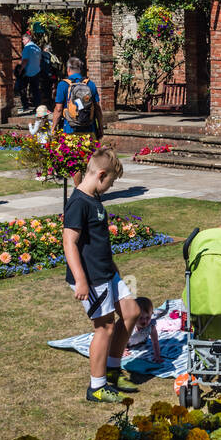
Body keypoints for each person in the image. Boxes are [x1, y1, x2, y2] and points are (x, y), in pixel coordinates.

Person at [62, 146, 142, 403]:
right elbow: (69, 243)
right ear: (101, 174)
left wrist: (115, 270)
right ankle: (96, 387)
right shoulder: (78, 203)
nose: (111, 186)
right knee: (104, 327)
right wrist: (81, 279)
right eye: (111, 181)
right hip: (93, 278)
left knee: (131, 312)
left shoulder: (94, 199)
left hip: (108, 274)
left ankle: (112, 369)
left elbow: (98, 242)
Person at [51, 57, 104, 140]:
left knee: (70, 152)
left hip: (69, 128)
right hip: (89, 128)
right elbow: (97, 108)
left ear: (68, 69)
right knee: (90, 152)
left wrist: (53, 128)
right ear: (80, 69)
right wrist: (100, 127)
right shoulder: (90, 84)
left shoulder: (63, 84)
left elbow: (58, 109)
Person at [126, 295, 163, 365]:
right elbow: (120, 337)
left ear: (151, 315)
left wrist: (157, 356)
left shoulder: (151, 327)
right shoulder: (130, 326)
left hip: (141, 342)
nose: (144, 321)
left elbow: (155, 342)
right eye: (140, 318)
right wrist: (122, 350)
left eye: (147, 317)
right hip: (126, 343)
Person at [15, 30, 43, 114]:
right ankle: (37, 107)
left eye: (23, 40)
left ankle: (25, 106)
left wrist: (20, 70)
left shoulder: (27, 48)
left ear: (27, 39)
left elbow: (25, 60)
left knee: (22, 89)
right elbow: (40, 60)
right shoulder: (37, 48)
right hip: (36, 71)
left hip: (27, 72)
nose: (22, 41)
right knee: (35, 90)